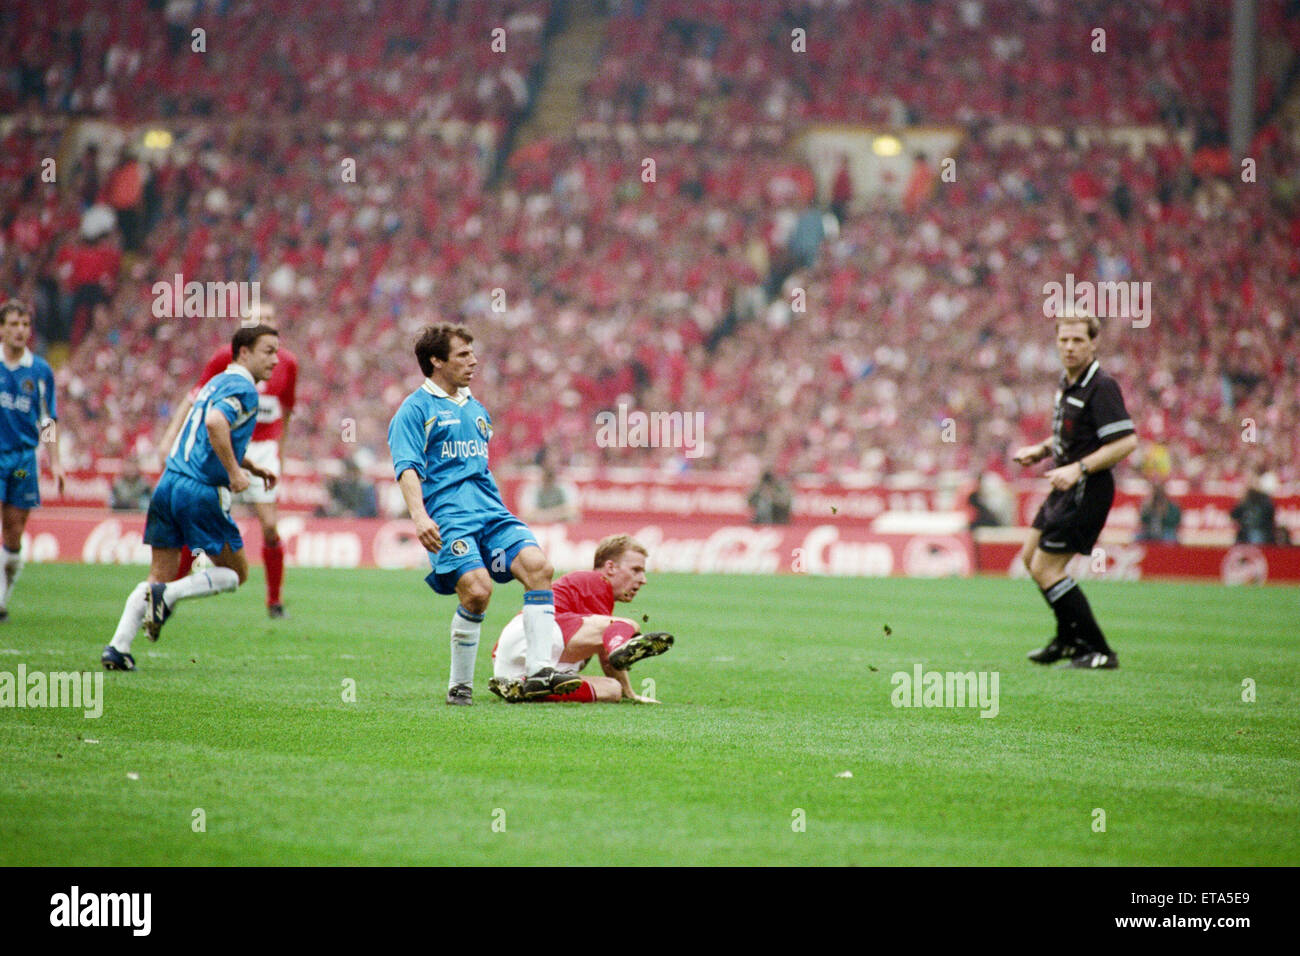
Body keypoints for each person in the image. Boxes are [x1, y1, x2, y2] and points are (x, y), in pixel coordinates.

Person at [386, 323, 576, 705]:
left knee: (539, 568)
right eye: (463, 355)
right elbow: (407, 468)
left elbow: (481, 466)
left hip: (491, 511)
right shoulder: (414, 410)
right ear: (436, 361)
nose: (474, 361)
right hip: (450, 517)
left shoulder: (476, 408)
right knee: (477, 591)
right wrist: (420, 517)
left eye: (473, 353)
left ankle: (540, 671)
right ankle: (460, 685)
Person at [101, 324, 280, 671]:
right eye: (268, 351)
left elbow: (206, 433)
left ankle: (117, 648)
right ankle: (170, 597)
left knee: (159, 575)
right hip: (199, 492)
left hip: (168, 484)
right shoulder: (244, 388)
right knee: (236, 574)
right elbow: (215, 424)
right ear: (244, 352)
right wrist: (234, 473)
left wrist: (251, 466)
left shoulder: (215, 382)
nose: (275, 359)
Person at [1013, 311, 1138, 670]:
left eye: (1078, 340)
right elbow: (1073, 434)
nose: (1069, 347)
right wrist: (1042, 449)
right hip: (1064, 484)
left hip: (1087, 487)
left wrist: (1078, 467)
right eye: (1064, 340)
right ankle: (1068, 640)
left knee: (1048, 569)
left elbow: (1125, 442)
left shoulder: (1102, 386)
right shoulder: (1069, 383)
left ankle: (1098, 650)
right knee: (1030, 558)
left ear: (1093, 343)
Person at [159, 308, 298, 617]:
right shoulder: (227, 358)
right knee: (198, 523)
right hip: (226, 446)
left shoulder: (286, 363)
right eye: (257, 319)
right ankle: (169, 595)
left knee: (271, 526)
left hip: (262, 450)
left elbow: (286, 412)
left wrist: (281, 454)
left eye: (270, 319)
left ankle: (274, 601)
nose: (264, 324)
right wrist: (171, 435)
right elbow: (196, 396)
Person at [488, 534, 673, 704]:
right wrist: (620, 657)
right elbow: (607, 658)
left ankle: (521, 688)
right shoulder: (595, 581)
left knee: (612, 690)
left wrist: (626, 692)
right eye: (636, 570)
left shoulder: (594, 591)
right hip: (534, 637)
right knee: (626, 625)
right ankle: (619, 646)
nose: (643, 579)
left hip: (513, 664)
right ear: (610, 567)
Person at [0, 301, 66, 622]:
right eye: (13, 324)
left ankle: (2, 598)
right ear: (1, 329)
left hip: (24, 459)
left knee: (14, 532)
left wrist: (55, 463)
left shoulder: (40, 371)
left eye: (25, 324)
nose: (20, 330)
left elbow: (48, 420)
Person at [1230, 472, 1279, 545]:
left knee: (1255, 536)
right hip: (1246, 532)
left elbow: (1269, 515)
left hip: (1260, 531)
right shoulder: (1245, 499)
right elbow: (1234, 514)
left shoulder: (1264, 499)